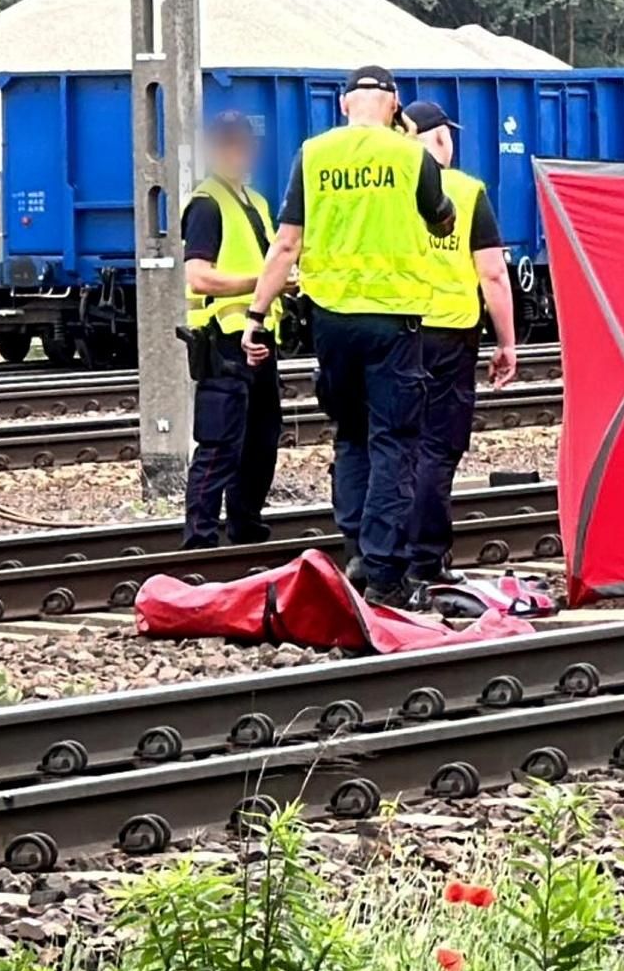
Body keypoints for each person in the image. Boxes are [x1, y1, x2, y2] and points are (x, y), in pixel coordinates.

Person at [241, 65, 459, 606]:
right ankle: (385, 572)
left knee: (351, 434)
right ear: (394, 107)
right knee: (394, 441)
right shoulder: (411, 156)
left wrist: (256, 315)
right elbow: (442, 220)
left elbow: (286, 244)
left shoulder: (312, 155)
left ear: (343, 106)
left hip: (332, 321)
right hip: (393, 319)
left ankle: (357, 550)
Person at [400, 100, 518, 595]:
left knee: (393, 447)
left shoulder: (392, 191)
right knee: (436, 449)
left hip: (397, 331)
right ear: (442, 138)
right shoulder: (467, 192)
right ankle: (426, 559)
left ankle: (381, 556)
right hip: (450, 335)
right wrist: (508, 342)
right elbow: (491, 272)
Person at [180, 110, 282, 549]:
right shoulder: (207, 204)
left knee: (260, 442)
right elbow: (199, 276)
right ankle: (200, 538)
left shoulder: (255, 201)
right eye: (229, 143)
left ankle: (246, 526)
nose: (239, 151)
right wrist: (261, 283)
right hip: (223, 339)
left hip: (258, 334)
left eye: (242, 142)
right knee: (220, 443)